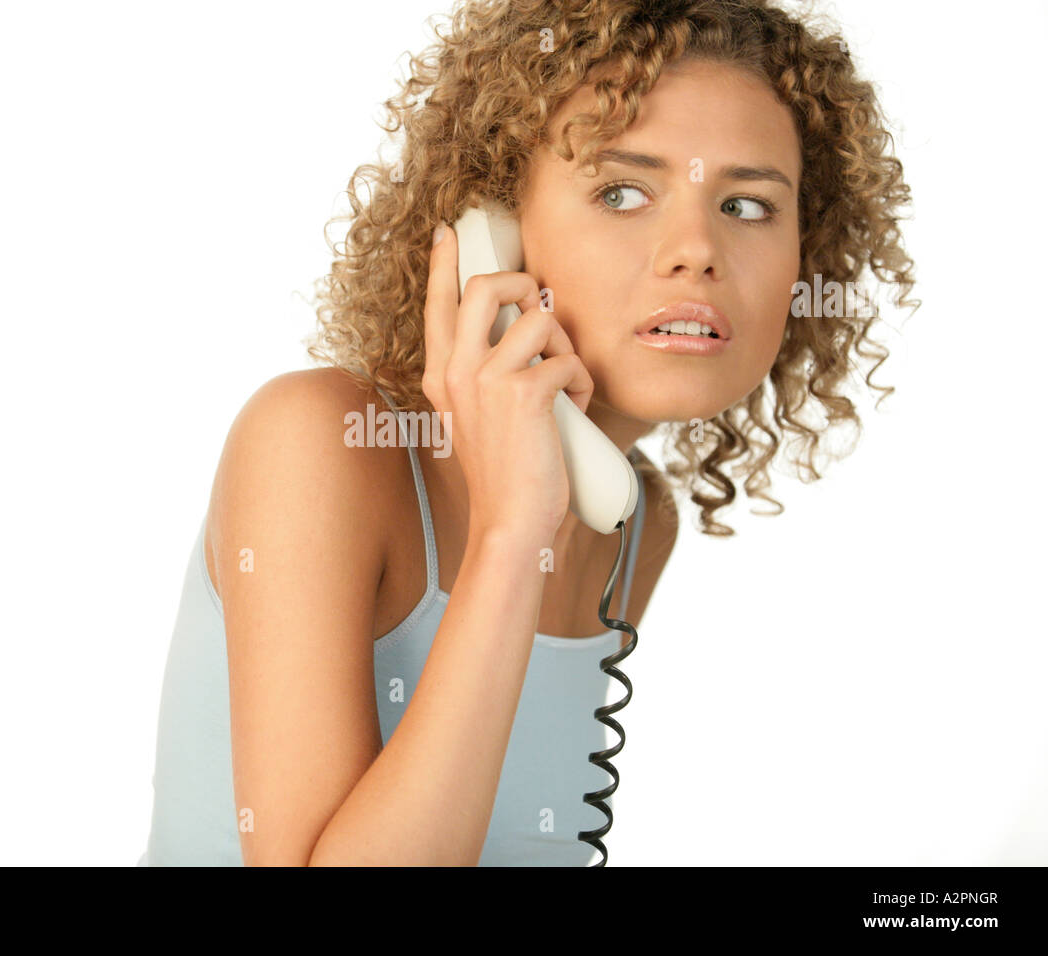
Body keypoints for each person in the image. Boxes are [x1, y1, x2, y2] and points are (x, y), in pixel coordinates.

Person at [141, 0, 916, 866]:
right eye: (622, 191)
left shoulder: (632, 521)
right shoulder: (320, 446)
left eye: (746, 204)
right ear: (496, 236)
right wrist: (513, 538)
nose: (695, 249)